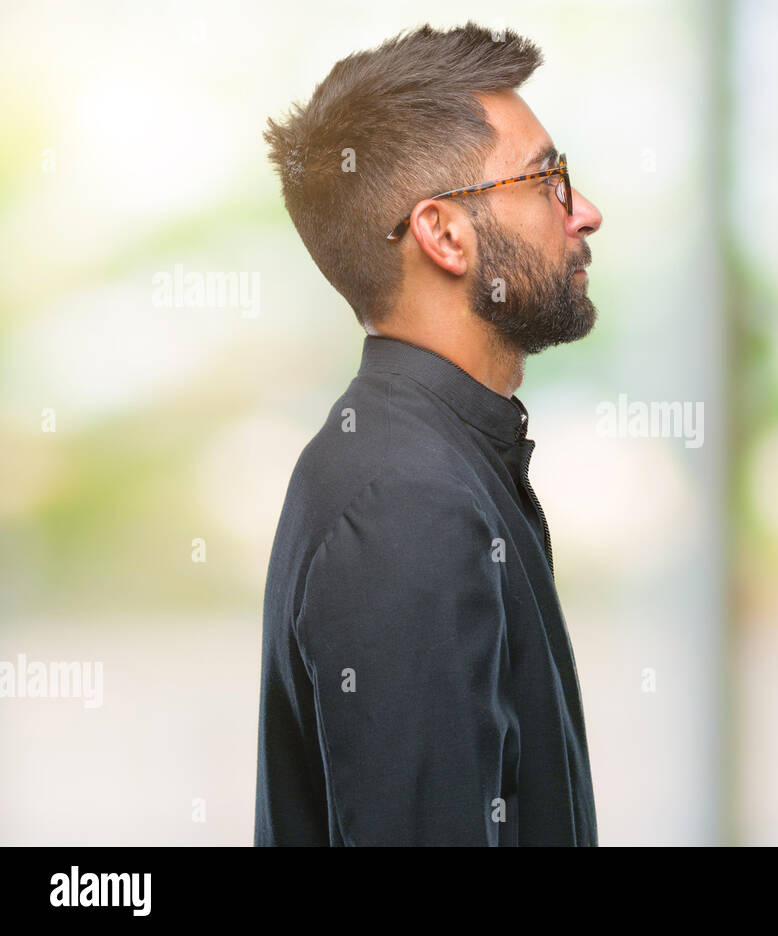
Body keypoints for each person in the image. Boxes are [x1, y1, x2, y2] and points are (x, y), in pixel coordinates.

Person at [253, 21, 603, 846]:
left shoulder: (428, 463)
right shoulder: (408, 505)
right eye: (546, 178)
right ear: (445, 234)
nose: (584, 211)